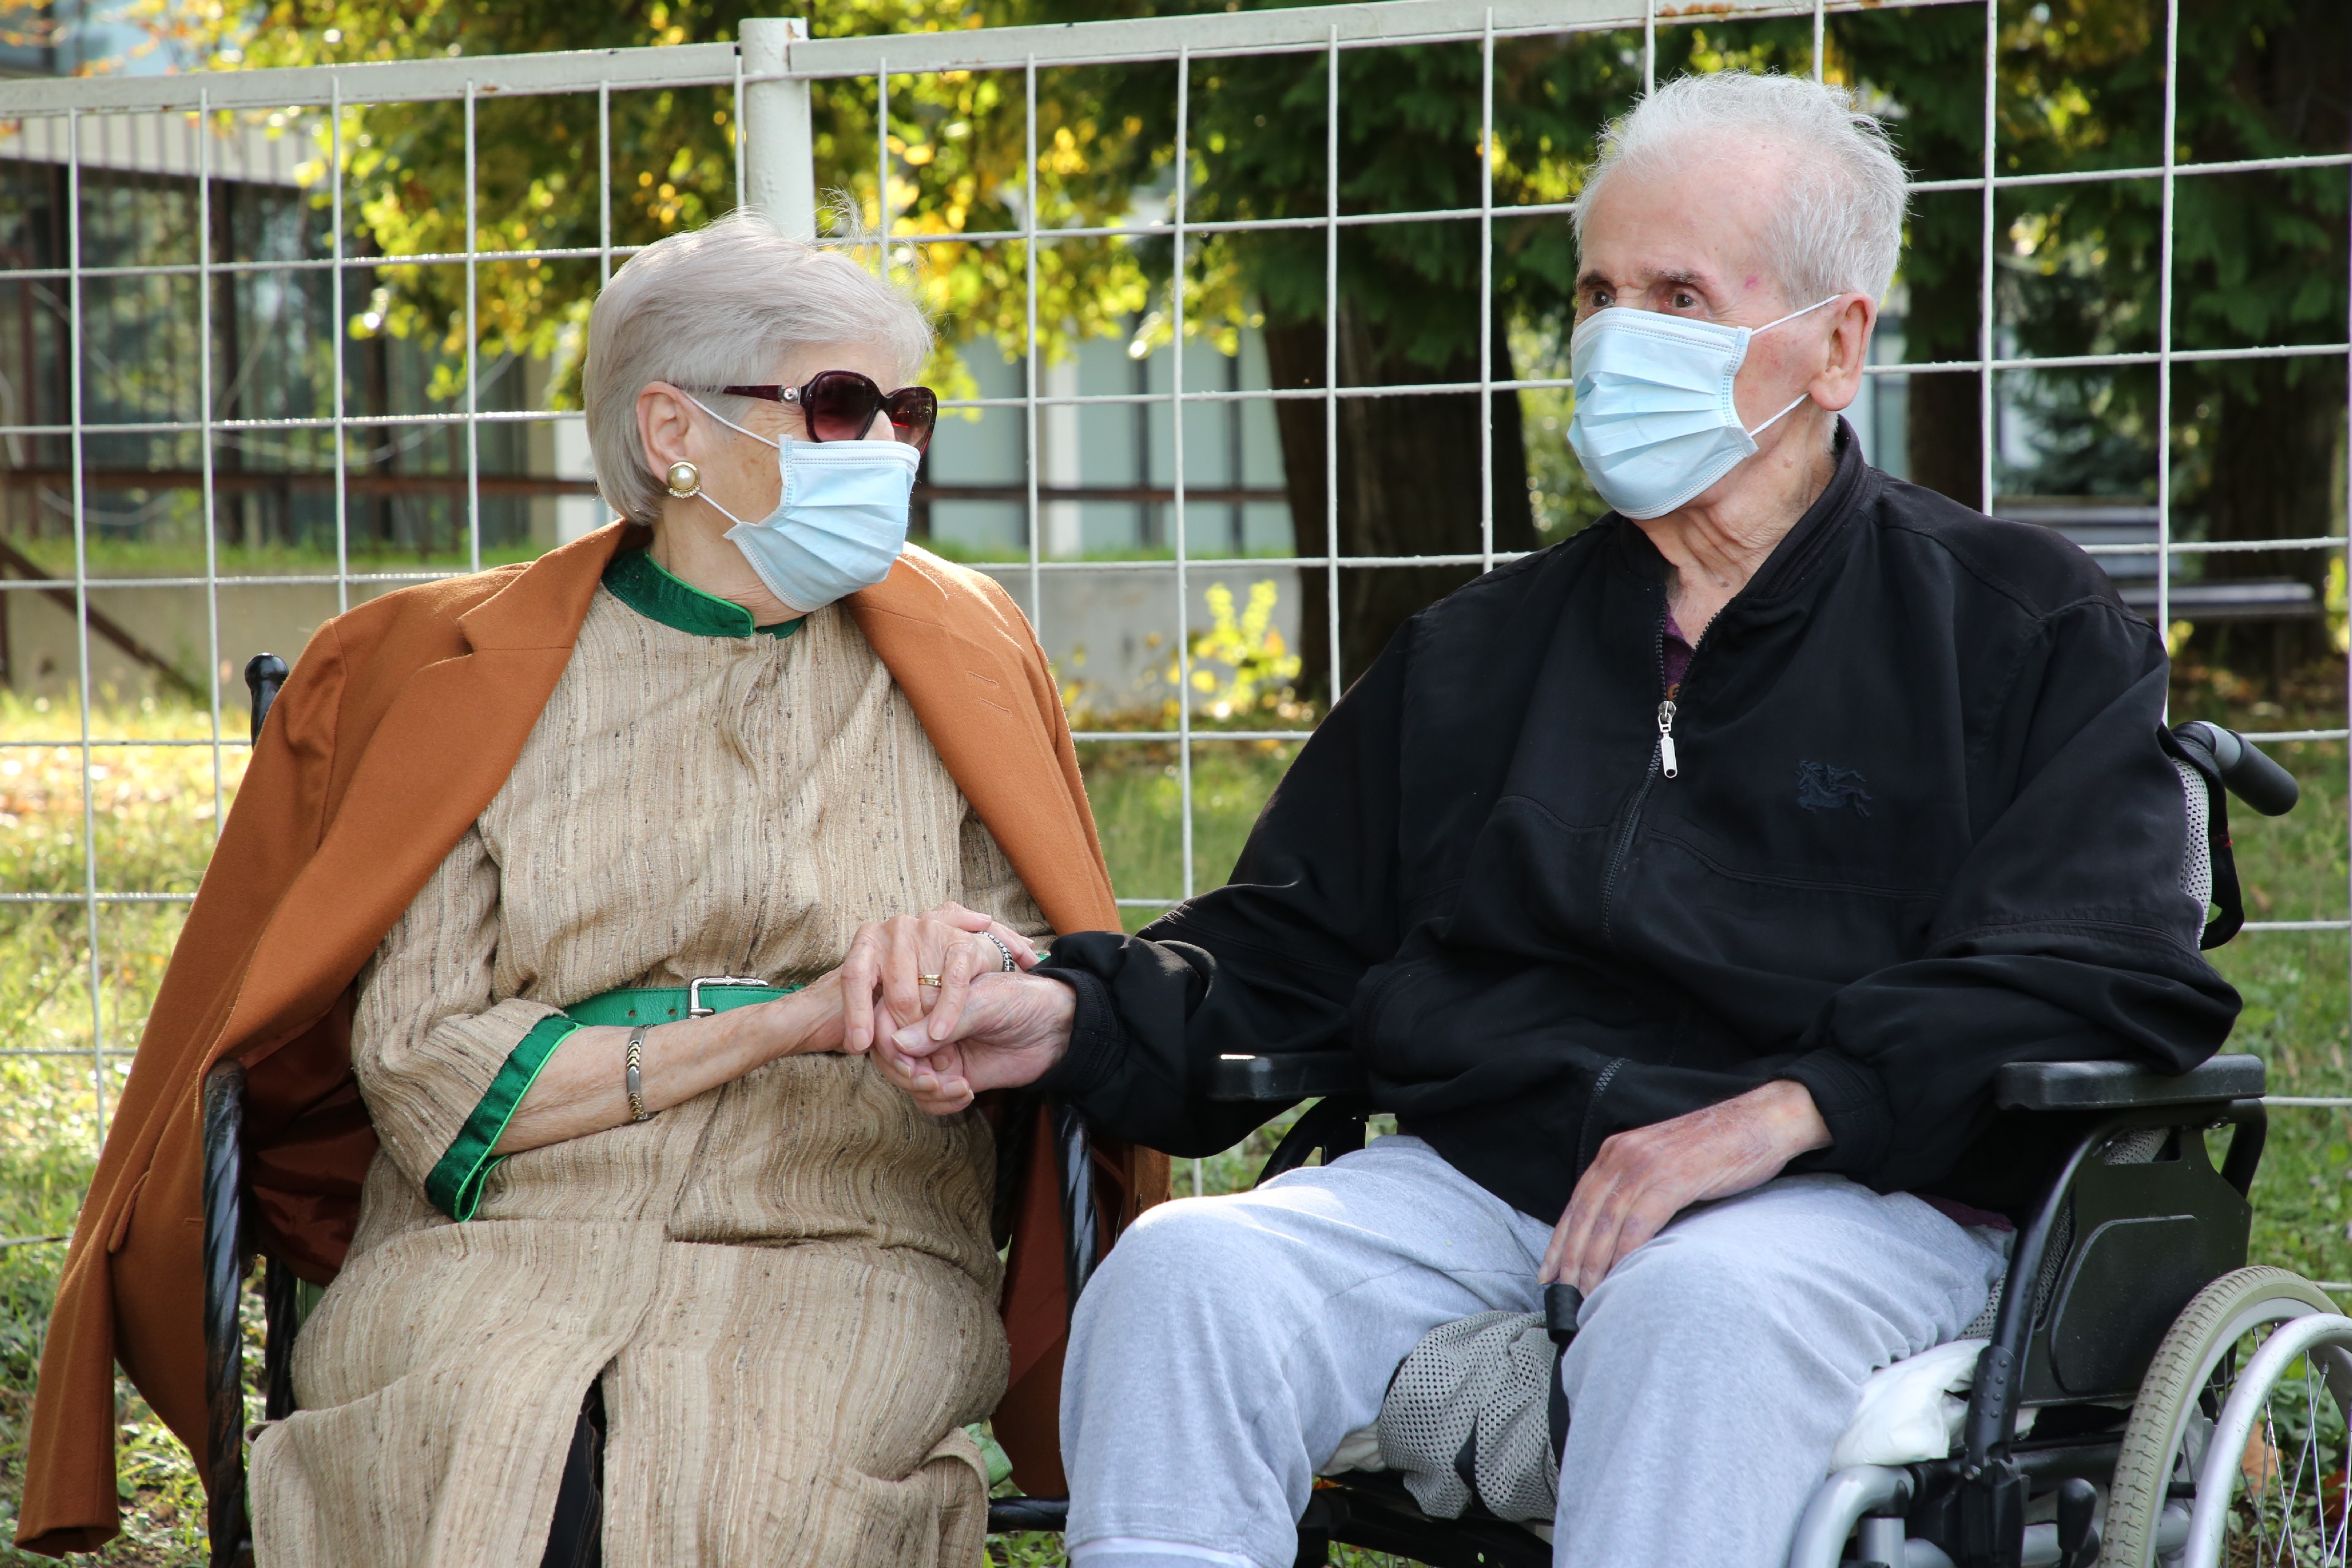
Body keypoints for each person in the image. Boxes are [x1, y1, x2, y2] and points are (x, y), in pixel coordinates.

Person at [852, 72, 2239, 1568]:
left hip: (1855, 1191)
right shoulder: (1477, 651)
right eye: (1594, 290)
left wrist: (1779, 1111)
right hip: (1487, 1179)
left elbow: (2095, 968)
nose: (1612, 333)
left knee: (1691, 1310)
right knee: (1188, 1276)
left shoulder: (2015, 625)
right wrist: (1061, 1013)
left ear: (1834, 346)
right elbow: (1286, 947)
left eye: (1676, 293)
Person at [17, 212, 1164, 1566]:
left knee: (764, 1487)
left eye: (905, 411)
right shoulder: (469, 675)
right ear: (673, 433)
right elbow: (426, 1063)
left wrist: (961, 987)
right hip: (494, 1236)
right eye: (843, 406)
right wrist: (785, 1018)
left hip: (848, 1228)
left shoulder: (959, 659)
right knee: (480, 1447)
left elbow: (1038, 968)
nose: (891, 450)